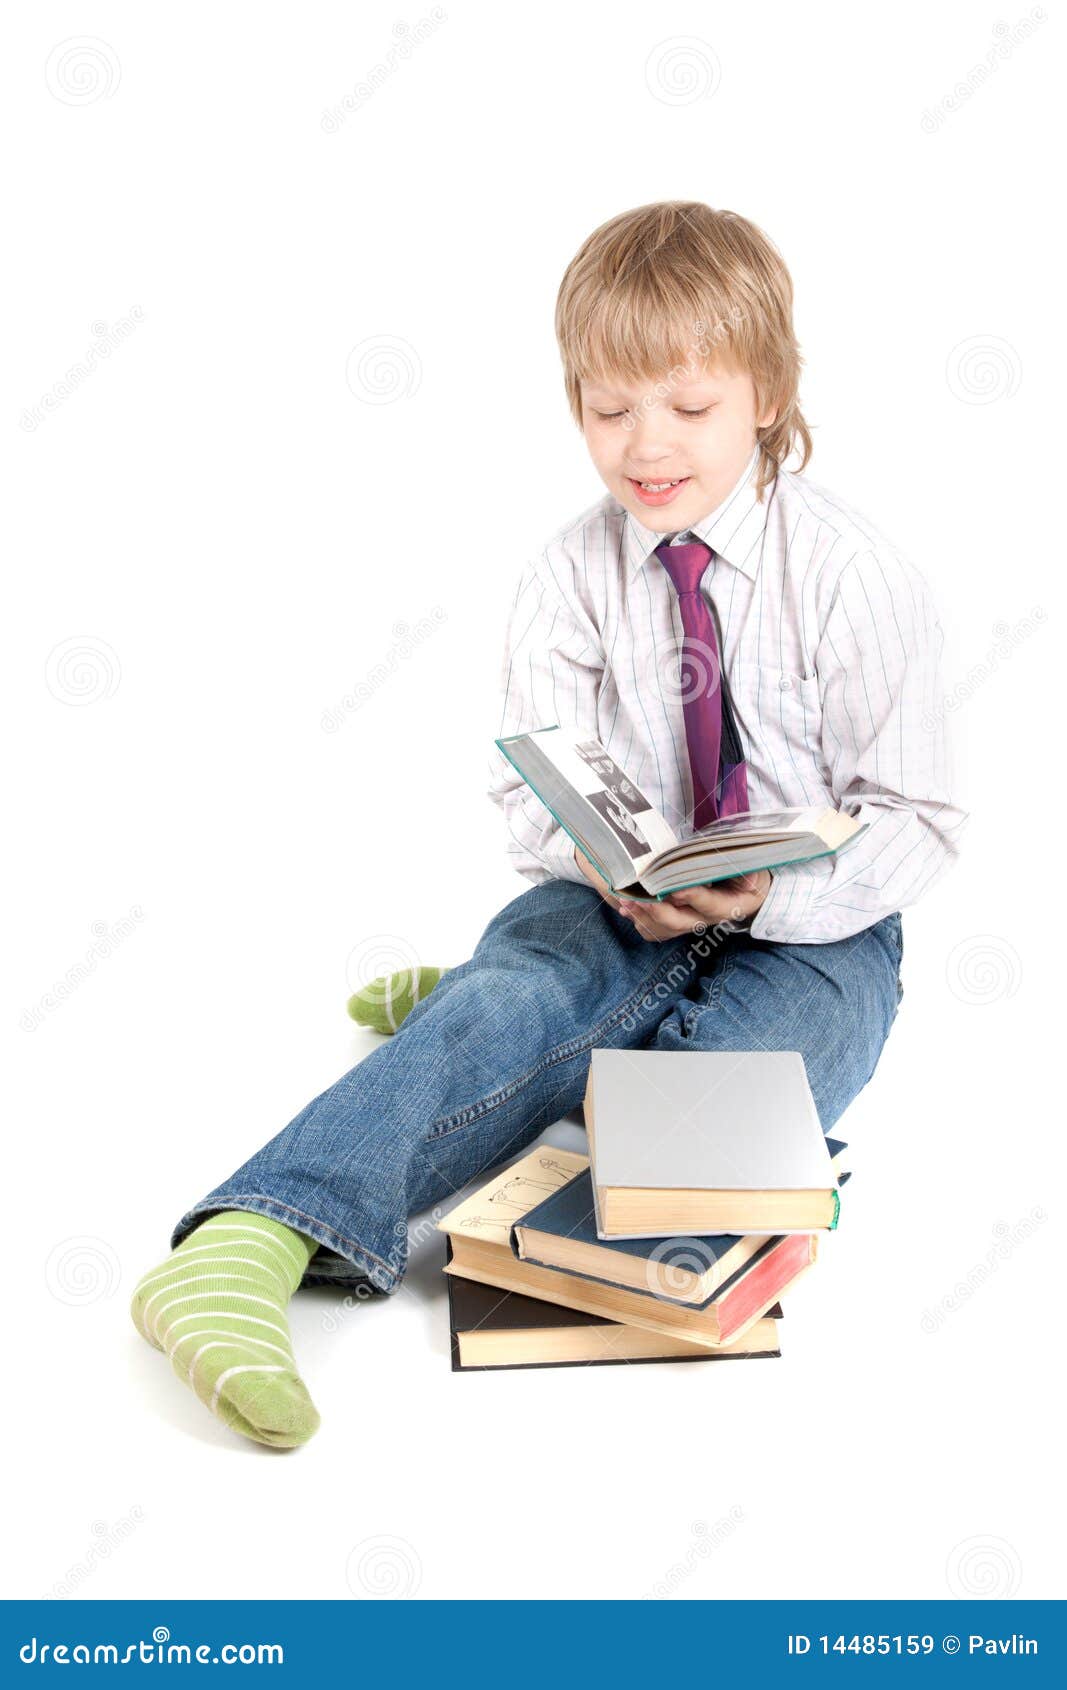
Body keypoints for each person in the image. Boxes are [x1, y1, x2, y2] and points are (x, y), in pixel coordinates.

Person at [129, 201, 966, 1448]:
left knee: (734, 1095)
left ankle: (487, 1007)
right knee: (530, 993)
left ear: (768, 395)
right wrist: (593, 858)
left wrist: (767, 900)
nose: (645, 445)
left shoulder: (853, 575)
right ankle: (258, 1233)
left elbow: (920, 819)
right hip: (609, 903)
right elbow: (526, 780)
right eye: (607, 407)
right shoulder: (566, 573)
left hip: (818, 933)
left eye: (687, 408)